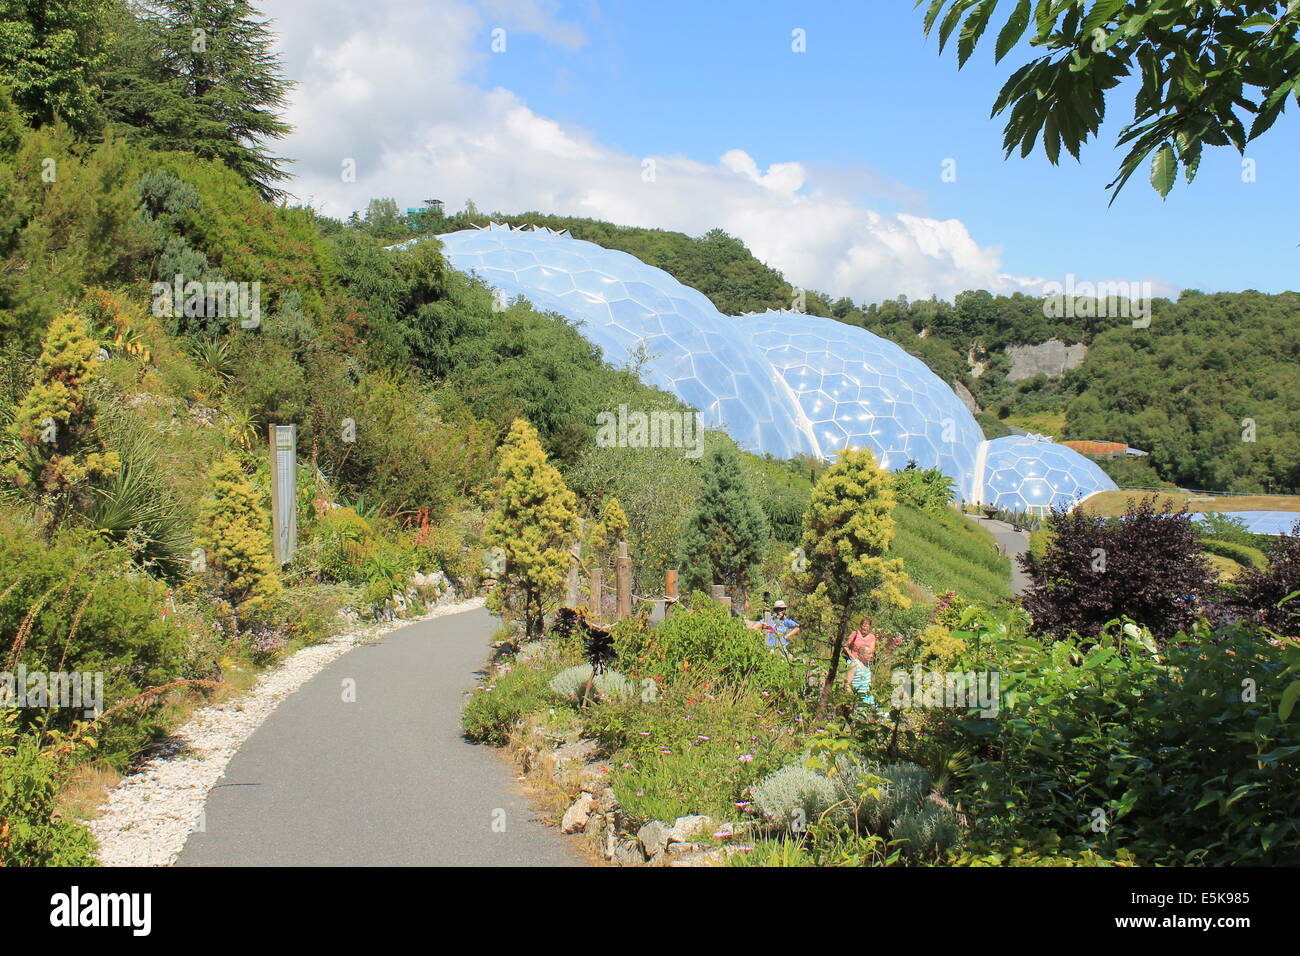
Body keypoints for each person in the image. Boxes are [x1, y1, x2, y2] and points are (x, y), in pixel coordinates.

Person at [843, 615, 879, 712]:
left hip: (865, 660)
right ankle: (851, 703)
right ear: (860, 625)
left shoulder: (872, 637)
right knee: (851, 681)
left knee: (865, 681)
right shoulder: (855, 634)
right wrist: (851, 656)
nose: (865, 627)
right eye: (863, 625)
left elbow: (872, 649)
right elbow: (846, 646)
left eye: (867, 626)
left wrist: (867, 654)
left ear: (870, 627)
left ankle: (866, 702)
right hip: (854, 661)